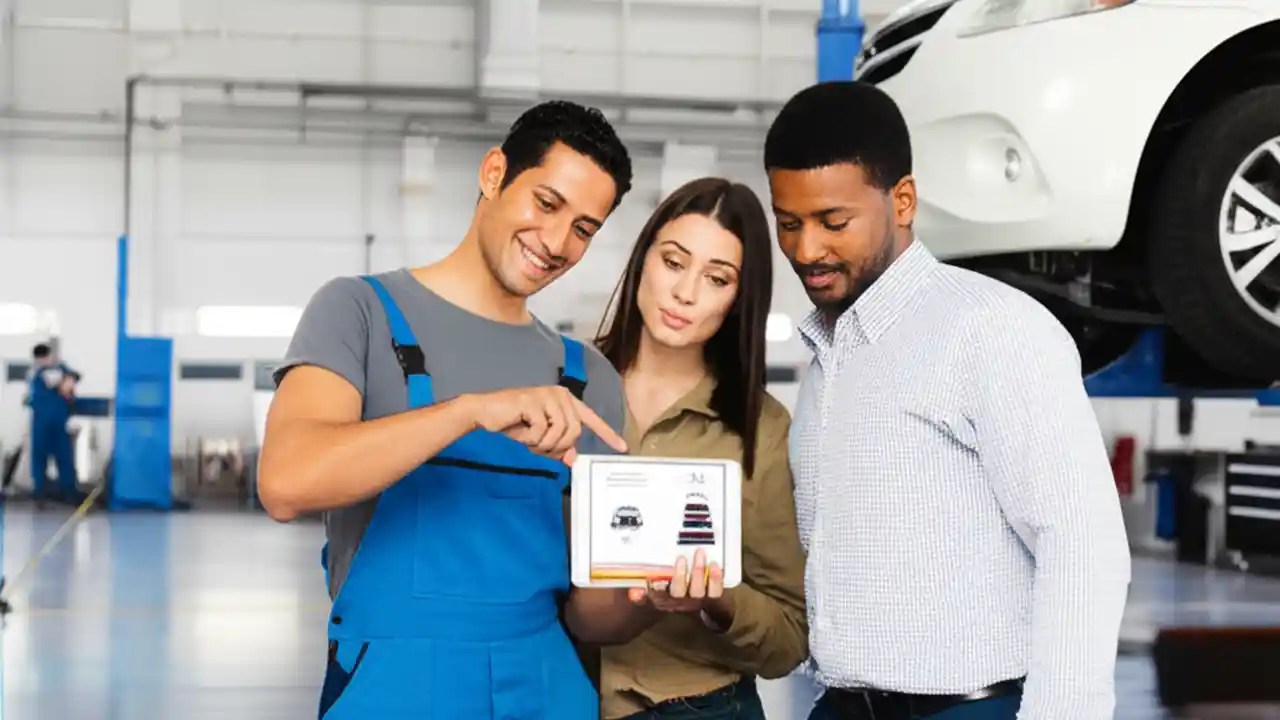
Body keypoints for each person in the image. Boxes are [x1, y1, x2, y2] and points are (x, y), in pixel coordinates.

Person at [259, 99, 640, 720]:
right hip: (391, 690)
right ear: (494, 173)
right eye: (547, 204)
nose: (556, 242)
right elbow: (285, 483)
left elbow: (591, 614)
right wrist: (467, 412)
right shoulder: (360, 312)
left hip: (546, 690)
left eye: (584, 228)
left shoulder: (586, 379)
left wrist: (652, 596)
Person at [763, 80, 1132, 720]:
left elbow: (1080, 540)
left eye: (833, 222)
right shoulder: (828, 355)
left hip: (967, 709)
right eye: (788, 224)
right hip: (839, 706)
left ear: (902, 200)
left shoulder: (992, 329)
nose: (806, 249)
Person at [590, 177, 809, 719]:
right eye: (673, 262)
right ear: (643, 260)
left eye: (716, 278)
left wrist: (717, 601)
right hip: (549, 698)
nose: (686, 292)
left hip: (697, 708)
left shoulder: (762, 431)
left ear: (739, 298)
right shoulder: (562, 387)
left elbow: (789, 638)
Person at [25, 342, 82, 503]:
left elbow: (73, 381)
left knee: (63, 457)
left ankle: (68, 491)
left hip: (56, 423)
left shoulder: (62, 370)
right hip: (42, 424)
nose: (43, 361)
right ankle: (40, 493)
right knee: (40, 459)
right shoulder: (35, 373)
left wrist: (69, 382)